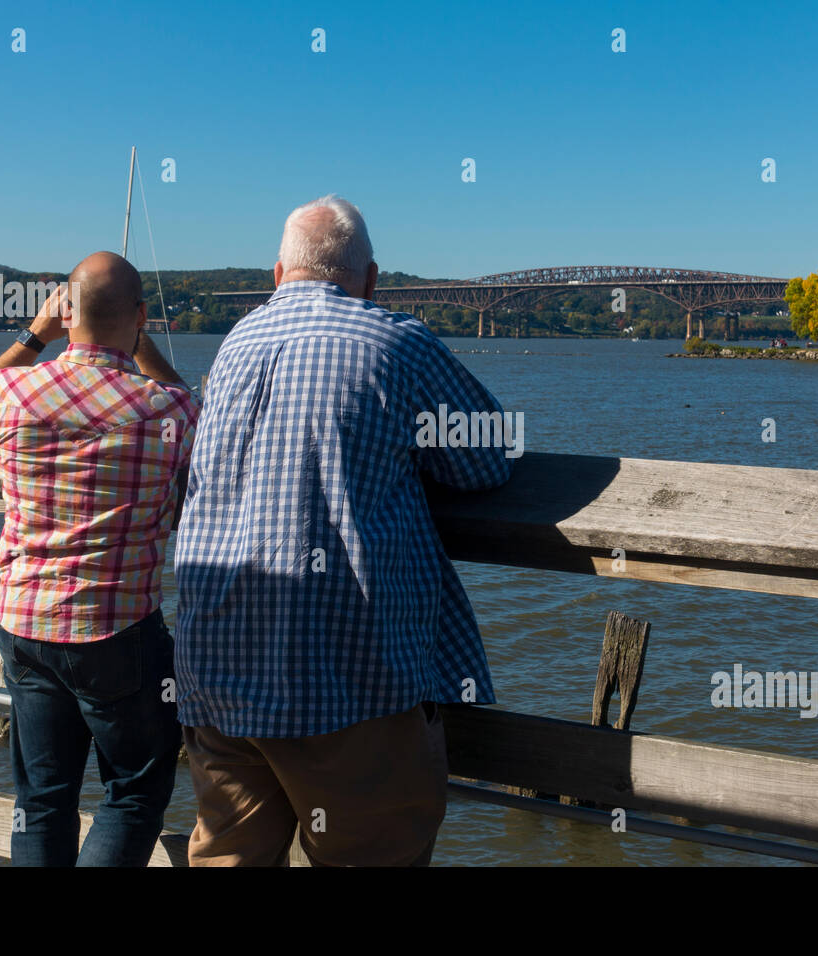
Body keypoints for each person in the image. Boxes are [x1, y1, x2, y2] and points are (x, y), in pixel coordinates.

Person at [175, 196, 516, 866]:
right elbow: (487, 459)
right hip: (348, 677)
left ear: (278, 274)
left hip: (216, 669)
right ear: (371, 278)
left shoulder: (236, 344)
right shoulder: (396, 340)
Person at [0, 252, 198, 866]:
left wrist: (35, 334)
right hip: (119, 633)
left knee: (41, 800)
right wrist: (141, 346)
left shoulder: (12, 391)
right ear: (141, 317)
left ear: (66, 311)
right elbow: (197, 410)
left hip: (25, 626)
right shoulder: (166, 411)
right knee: (135, 793)